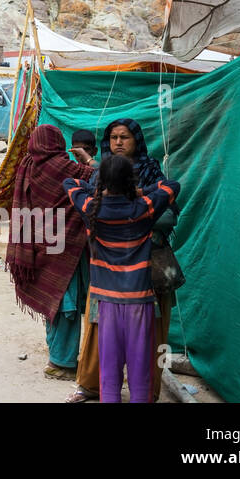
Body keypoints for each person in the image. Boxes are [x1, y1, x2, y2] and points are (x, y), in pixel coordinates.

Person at [69, 117, 177, 403]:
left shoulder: (150, 170)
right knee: (115, 340)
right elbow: (169, 192)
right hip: (128, 282)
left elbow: (169, 216)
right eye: (114, 137)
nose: (118, 142)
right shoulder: (105, 176)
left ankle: (125, 393)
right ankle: (93, 386)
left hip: (144, 269)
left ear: (136, 141)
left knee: (131, 342)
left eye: (125, 137)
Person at [5, 124, 92, 381]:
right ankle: (61, 363)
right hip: (63, 248)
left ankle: (57, 355)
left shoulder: (28, 165)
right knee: (66, 303)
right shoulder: (62, 166)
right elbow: (100, 176)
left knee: (54, 301)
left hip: (40, 245)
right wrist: (88, 159)